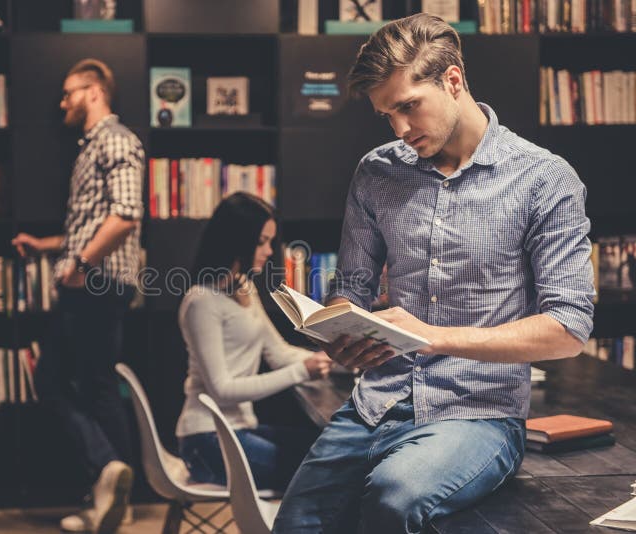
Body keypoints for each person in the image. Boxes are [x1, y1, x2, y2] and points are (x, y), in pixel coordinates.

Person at [273, 14, 595, 533]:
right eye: (387, 115)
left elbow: (569, 328)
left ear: (453, 79)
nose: (400, 129)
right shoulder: (376, 172)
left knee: (395, 497)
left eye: (408, 107)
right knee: (294, 523)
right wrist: (338, 331)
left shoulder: (545, 179)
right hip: (375, 405)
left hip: (479, 415)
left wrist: (434, 339)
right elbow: (351, 289)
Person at [11, 58, 144, 533]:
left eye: (69, 93)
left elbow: (125, 214)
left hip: (97, 282)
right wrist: (50, 247)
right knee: (94, 385)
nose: (62, 102)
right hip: (92, 278)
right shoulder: (93, 146)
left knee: (60, 381)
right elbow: (94, 221)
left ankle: (108, 474)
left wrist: (80, 266)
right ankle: (110, 498)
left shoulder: (115, 140)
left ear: (93, 92)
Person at [176, 192, 332, 491]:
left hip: (240, 429)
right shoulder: (201, 302)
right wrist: (303, 371)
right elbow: (222, 390)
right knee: (320, 471)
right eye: (262, 241)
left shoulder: (245, 289)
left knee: (332, 451)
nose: (269, 250)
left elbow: (278, 352)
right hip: (205, 440)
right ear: (238, 240)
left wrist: (334, 357)